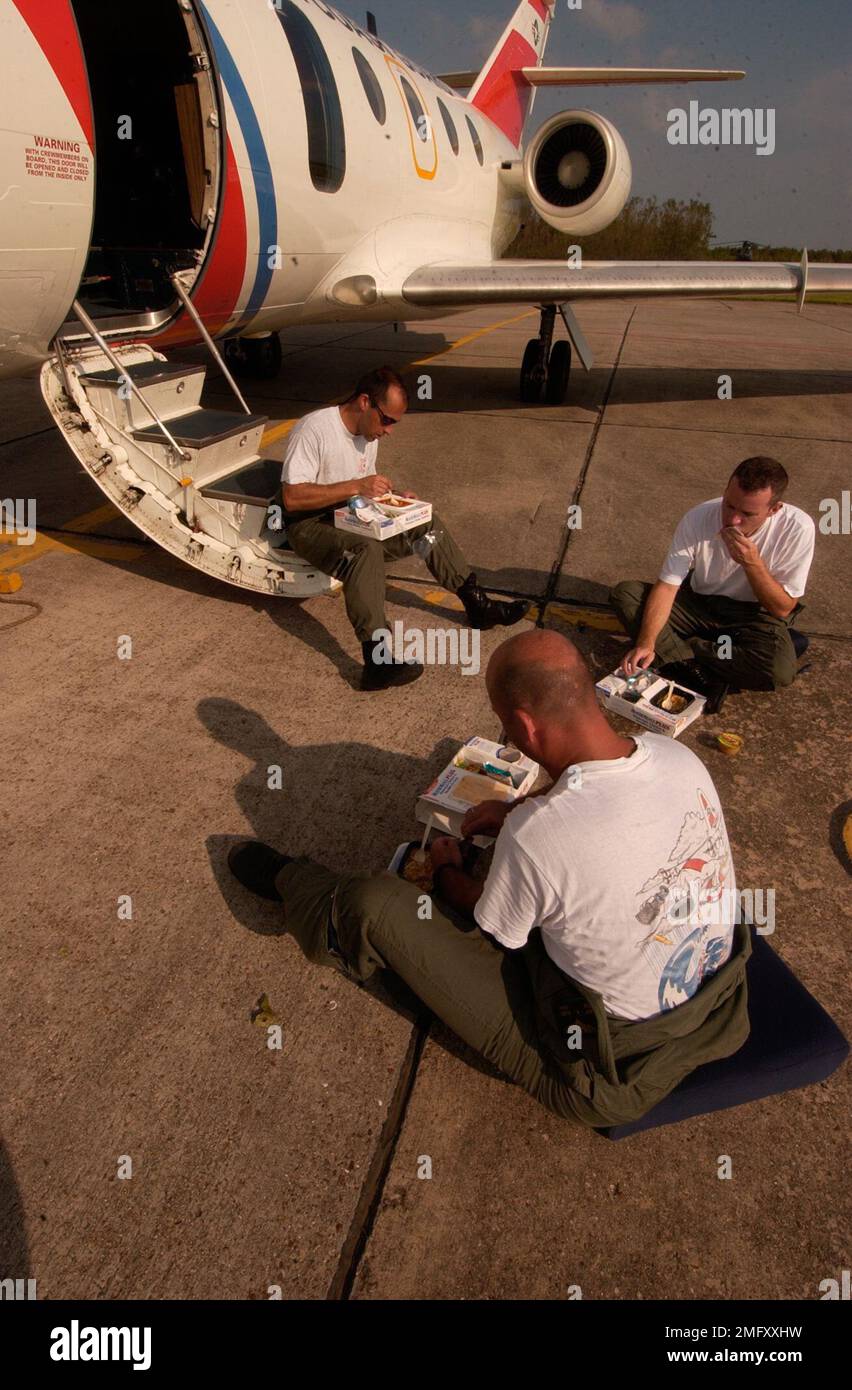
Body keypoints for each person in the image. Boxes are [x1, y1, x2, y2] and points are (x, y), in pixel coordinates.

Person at [225, 630, 751, 1128]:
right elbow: (602, 803)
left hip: (609, 1072)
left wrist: (449, 866)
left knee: (375, 901)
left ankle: (294, 886)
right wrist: (526, 806)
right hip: (722, 1009)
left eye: (504, 725)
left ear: (523, 728)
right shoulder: (676, 754)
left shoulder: (538, 836)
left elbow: (490, 925)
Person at [279, 366, 525, 690]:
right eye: (388, 420)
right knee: (363, 550)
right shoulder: (314, 429)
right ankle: (377, 660)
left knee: (425, 522)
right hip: (311, 524)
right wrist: (356, 486)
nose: (389, 431)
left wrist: (395, 500)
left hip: (352, 516)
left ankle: (475, 603)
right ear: (365, 402)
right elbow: (292, 498)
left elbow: (362, 491)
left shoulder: (369, 435)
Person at [610, 456, 814, 711]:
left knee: (779, 672)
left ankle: (686, 653)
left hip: (753, 614)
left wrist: (752, 563)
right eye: (729, 505)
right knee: (626, 594)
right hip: (700, 603)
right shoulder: (699, 517)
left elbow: (782, 608)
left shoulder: (797, 528)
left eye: (747, 514)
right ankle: (702, 662)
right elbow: (668, 586)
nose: (733, 519)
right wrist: (647, 641)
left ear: (774, 509)